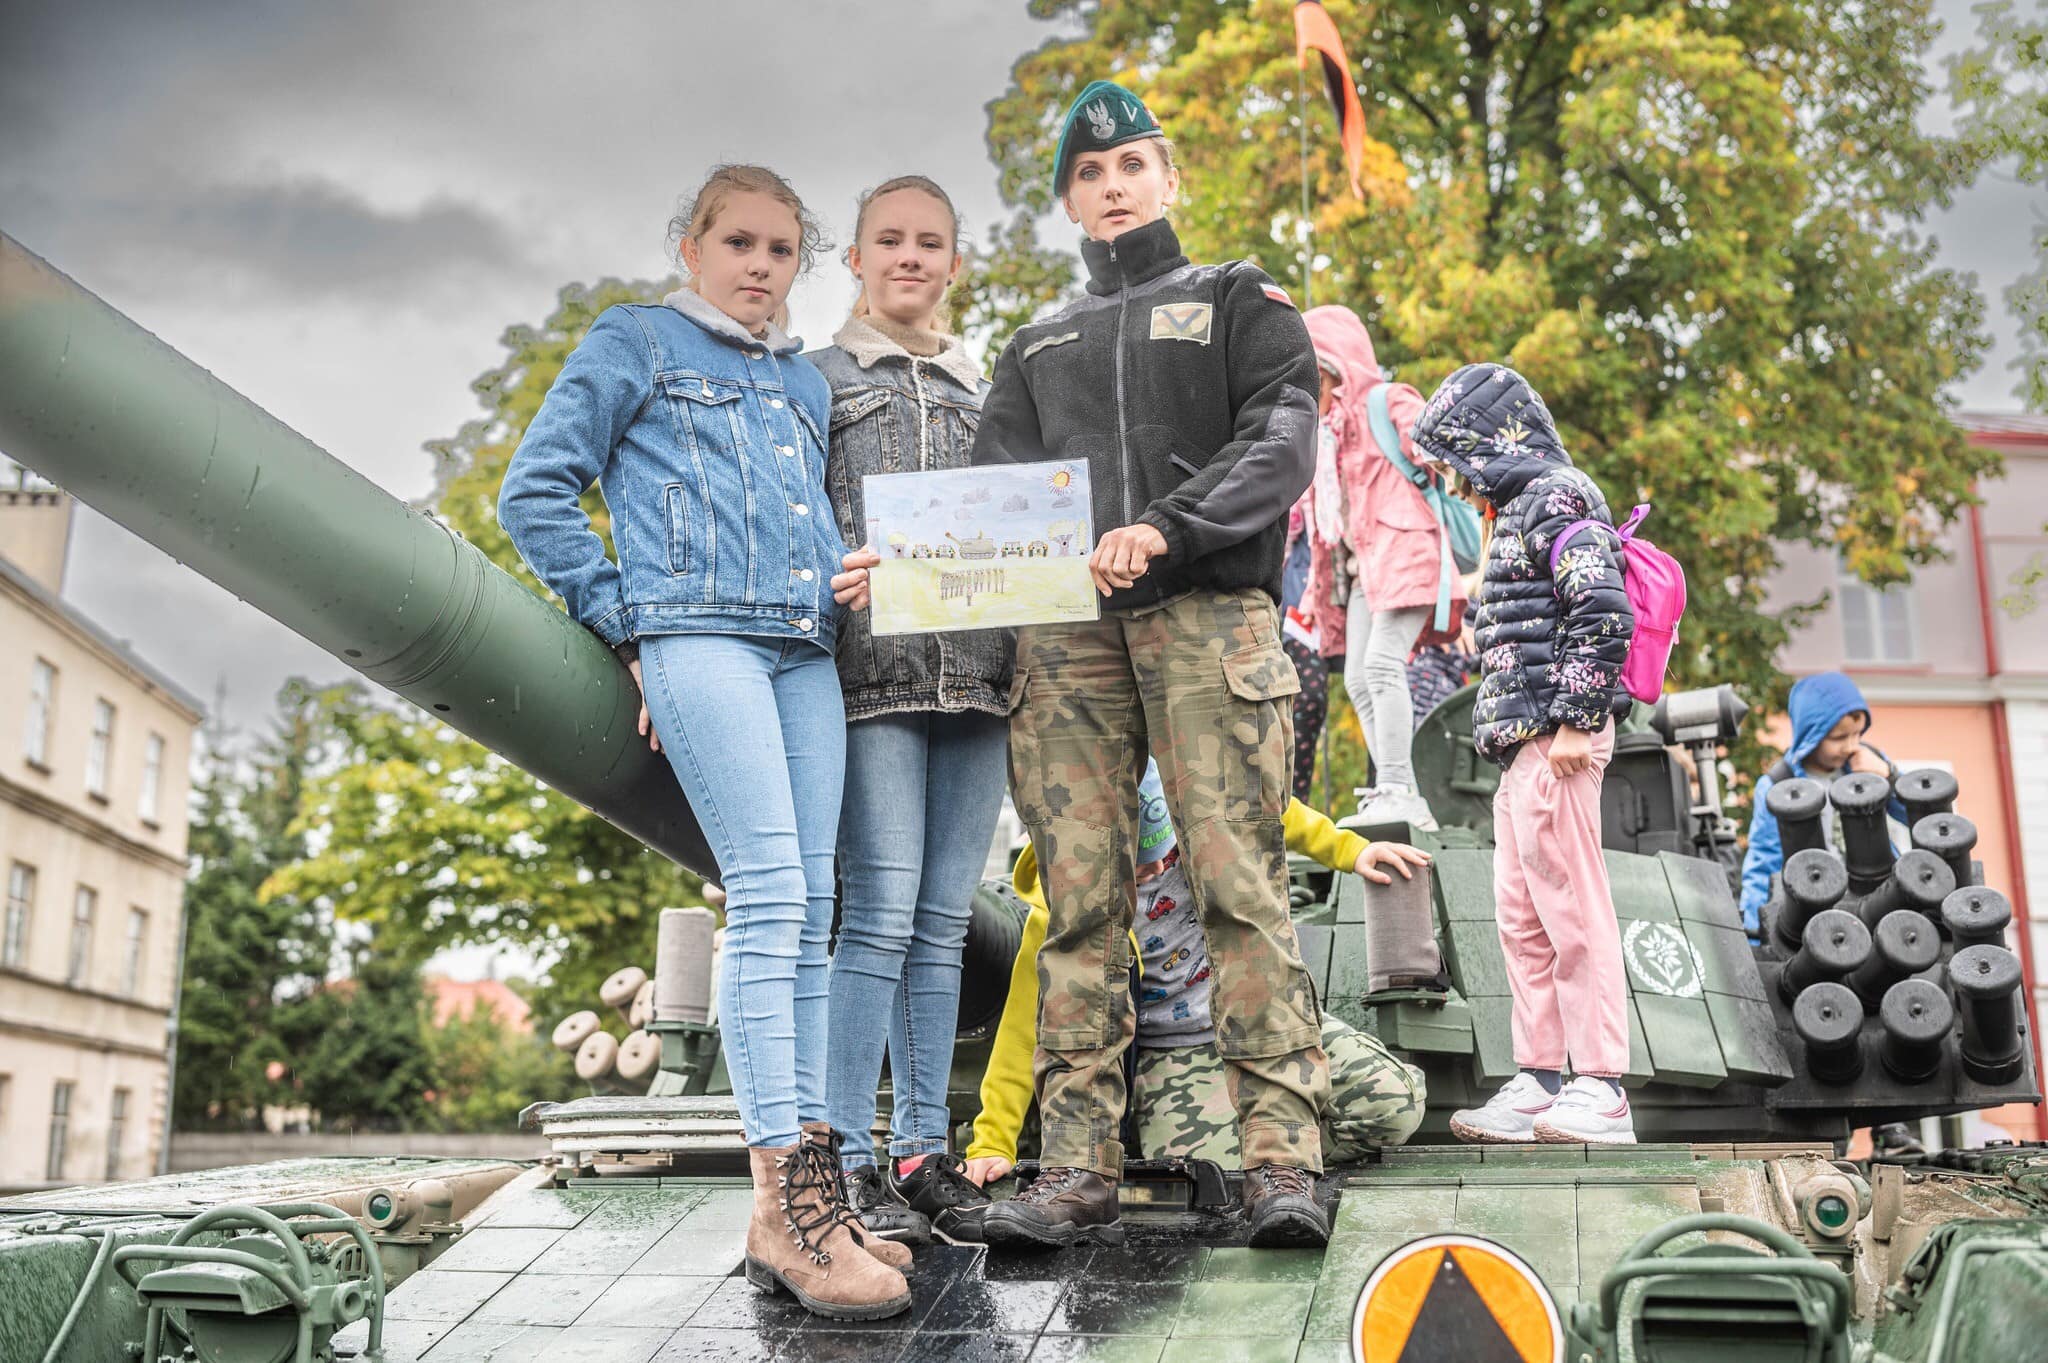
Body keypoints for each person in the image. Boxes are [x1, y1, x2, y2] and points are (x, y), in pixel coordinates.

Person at [839, 80, 1332, 1248]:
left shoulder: (1236, 300)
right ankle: (1072, 1167)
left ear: (1168, 179)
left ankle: (1279, 1160)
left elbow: (1283, 433)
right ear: (1068, 199)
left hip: (1208, 617)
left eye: (1129, 169)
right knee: (1076, 908)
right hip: (1064, 647)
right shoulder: (1037, 344)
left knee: (1237, 886)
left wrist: (1169, 523)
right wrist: (899, 573)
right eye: (1087, 176)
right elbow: (988, 510)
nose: (1110, 190)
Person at [500, 165, 909, 1320]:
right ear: (689, 246)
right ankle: (780, 1204)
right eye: (737, 242)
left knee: (817, 910)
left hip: (802, 647)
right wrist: (624, 625)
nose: (759, 266)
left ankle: (818, 1193)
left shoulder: (796, 379)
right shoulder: (634, 342)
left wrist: (850, 569)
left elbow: (804, 518)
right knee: (771, 897)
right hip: (697, 641)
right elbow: (535, 493)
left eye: (781, 250)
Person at [810, 176, 1013, 1246]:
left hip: (981, 676)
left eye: (929, 242)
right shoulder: (816, 379)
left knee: (941, 923)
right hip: (872, 677)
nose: (909, 257)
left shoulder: (993, 387)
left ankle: (920, 1153)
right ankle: (842, 1156)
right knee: (878, 916)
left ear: (953, 262)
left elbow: (1025, 526)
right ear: (854, 256)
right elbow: (795, 516)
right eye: (887, 239)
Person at [962, 763, 1429, 1195]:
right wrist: (991, 1143)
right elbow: (1025, 1031)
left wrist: (1353, 850)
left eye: (1163, 854)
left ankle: (1283, 1147)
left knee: (1392, 1106)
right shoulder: (1062, 907)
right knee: (1210, 1185)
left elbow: (1271, 807)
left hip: (1259, 1016)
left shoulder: (1205, 816)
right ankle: (1263, 1149)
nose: (1156, 870)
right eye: (1136, 863)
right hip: (1171, 1051)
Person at [1410, 363, 1639, 1145]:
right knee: (1522, 919)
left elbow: (1603, 605)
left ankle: (1601, 1084)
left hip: (1558, 740)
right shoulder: (1516, 511)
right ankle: (1540, 1078)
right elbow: (1540, 606)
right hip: (1521, 748)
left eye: (1454, 465)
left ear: (1486, 444)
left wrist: (1578, 716)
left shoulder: (1559, 495)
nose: (1453, 484)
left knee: (1574, 912)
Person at [1300, 306, 1464, 831]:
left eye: (1311, 373)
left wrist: (1437, 453)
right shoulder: (1324, 438)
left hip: (1405, 554)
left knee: (1380, 665)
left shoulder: (1385, 401)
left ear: (1335, 369)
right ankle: (1401, 788)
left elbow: (1432, 440)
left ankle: (1397, 786)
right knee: (1356, 677)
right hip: (1367, 573)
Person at [1738, 671, 1908, 937]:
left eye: (1857, 734)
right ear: (1811, 733)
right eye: (1839, 738)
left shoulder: (1869, 763)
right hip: (1815, 903)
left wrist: (1890, 776)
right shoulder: (1779, 784)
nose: (1851, 746)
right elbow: (1764, 861)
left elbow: (1915, 816)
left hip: (1877, 894)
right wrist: (1754, 930)